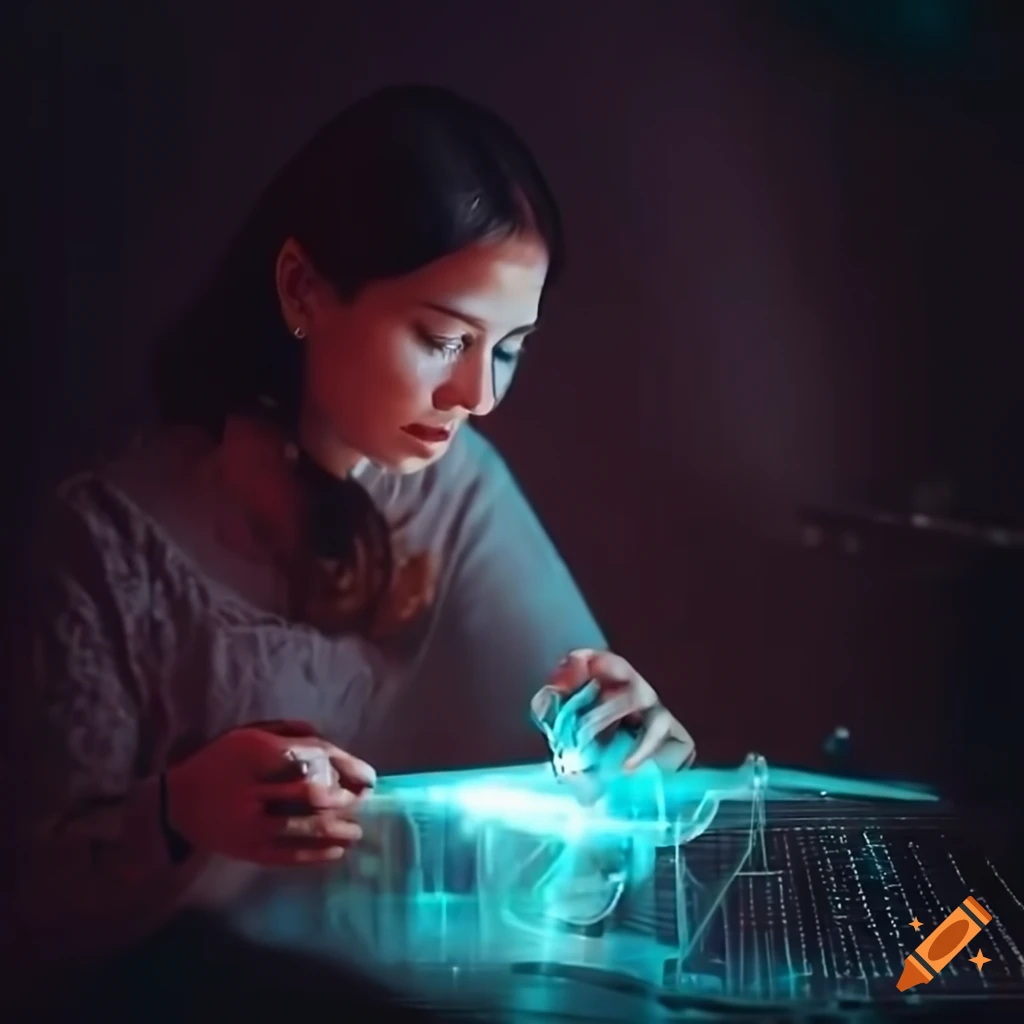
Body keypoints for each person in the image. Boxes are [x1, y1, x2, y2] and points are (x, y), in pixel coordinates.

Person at [3, 84, 695, 1006]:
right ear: (303, 289)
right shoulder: (109, 543)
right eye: (443, 338)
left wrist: (632, 746)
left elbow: (596, 778)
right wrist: (180, 813)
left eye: (509, 349)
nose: (477, 396)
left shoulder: (454, 488)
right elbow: (27, 921)